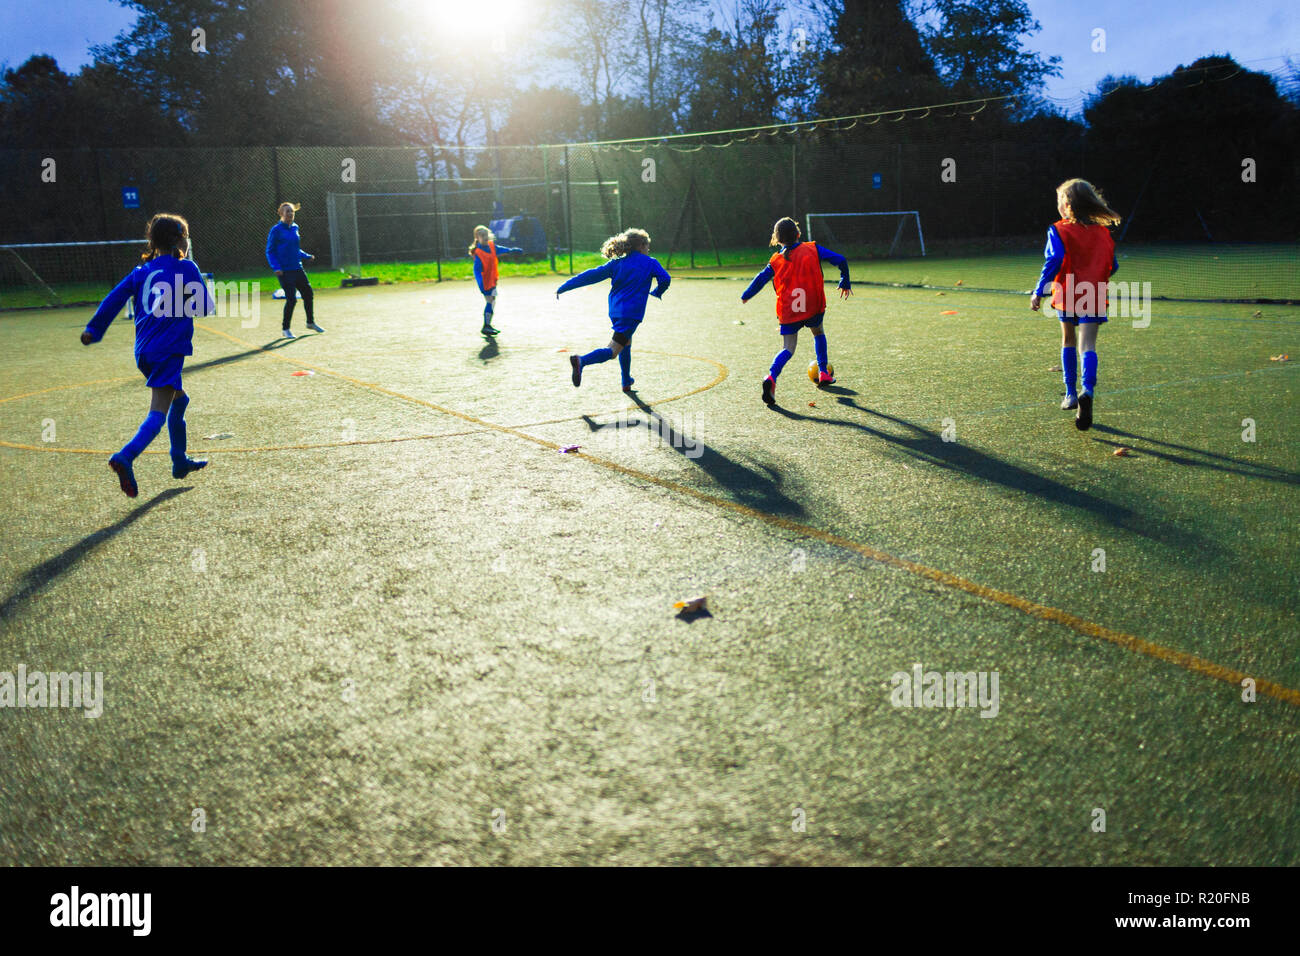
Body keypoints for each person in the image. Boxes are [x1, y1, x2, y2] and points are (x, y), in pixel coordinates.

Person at [81, 212, 213, 497]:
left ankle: (180, 461)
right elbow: (204, 308)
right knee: (158, 413)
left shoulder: (141, 272)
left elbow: (114, 299)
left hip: (144, 353)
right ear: (180, 240)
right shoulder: (187, 267)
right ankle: (125, 456)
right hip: (169, 351)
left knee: (181, 400)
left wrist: (94, 328)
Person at [1030, 178, 1121, 431]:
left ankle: (1070, 394)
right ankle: (1087, 389)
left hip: (1068, 292)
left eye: (1060, 201)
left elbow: (1055, 258)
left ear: (1067, 205)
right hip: (1093, 294)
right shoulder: (1103, 232)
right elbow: (1113, 266)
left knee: (1068, 340)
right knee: (1088, 345)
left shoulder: (1058, 230)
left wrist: (1039, 290)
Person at [741, 217, 851, 406]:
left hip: (789, 310)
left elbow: (760, 279)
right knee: (818, 333)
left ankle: (771, 377)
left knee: (788, 348)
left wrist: (746, 294)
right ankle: (823, 372)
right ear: (798, 234)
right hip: (813, 305)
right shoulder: (813, 249)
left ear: (776, 239)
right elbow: (841, 260)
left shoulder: (775, 260)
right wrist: (845, 280)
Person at [556, 228, 670, 392]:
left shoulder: (616, 264)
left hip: (616, 312)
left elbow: (590, 275)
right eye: (647, 246)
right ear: (641, 246)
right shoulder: (650, 263)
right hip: (631, 315)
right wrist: (658, 291)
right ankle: (582, 361)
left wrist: (564, 287)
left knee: (626, 343)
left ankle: (626, 380)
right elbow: (665, 279)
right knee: (613, 350)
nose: (648, 250)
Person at [266, 202, 323, 338]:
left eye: (292, 211)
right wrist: (276, 267)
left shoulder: (295, 227)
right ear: (281, 214)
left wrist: (306, 256)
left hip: (297, 268)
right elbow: (270, 251)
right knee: (291, 299)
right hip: (284, 271)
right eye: (287, 212)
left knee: (308, 294)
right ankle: (286, 329)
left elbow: (295, 249)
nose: (290, 214)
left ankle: (310, 322)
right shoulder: (276, 230)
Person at [468, 225, 523, 336]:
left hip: (492, 280)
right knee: (490, 301)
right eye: (482, 235)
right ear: (477, 238)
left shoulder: (492, 246)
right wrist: (481, 284)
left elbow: (500, 249)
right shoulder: (478, 252)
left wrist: (511, 251)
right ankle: (486, 326)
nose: (485, 237)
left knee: (492, 301)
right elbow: (477, 271)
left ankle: (487, 325)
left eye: (486, 235)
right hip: (485, 281)